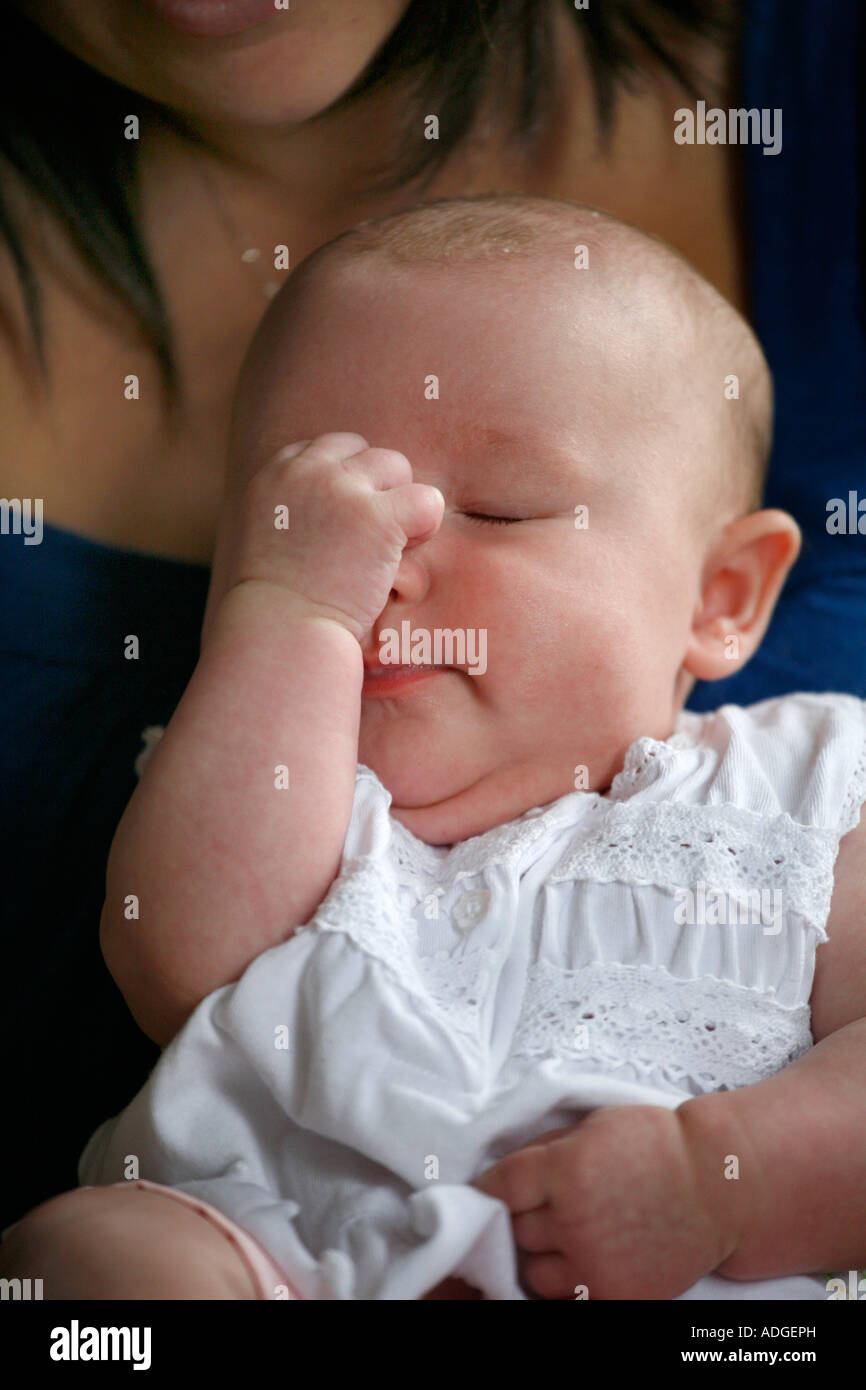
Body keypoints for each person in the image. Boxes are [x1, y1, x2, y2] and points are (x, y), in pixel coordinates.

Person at [1, 0, 863, 1234]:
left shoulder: (804, 792)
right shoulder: (290, 811)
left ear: (719, 598)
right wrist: (287, 616)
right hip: (291, 1252)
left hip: (675, 1262)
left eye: (502, 512)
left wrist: (719, 1178)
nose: (384, 565)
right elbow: (181, 961)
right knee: (86, 1251)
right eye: (309, 515)